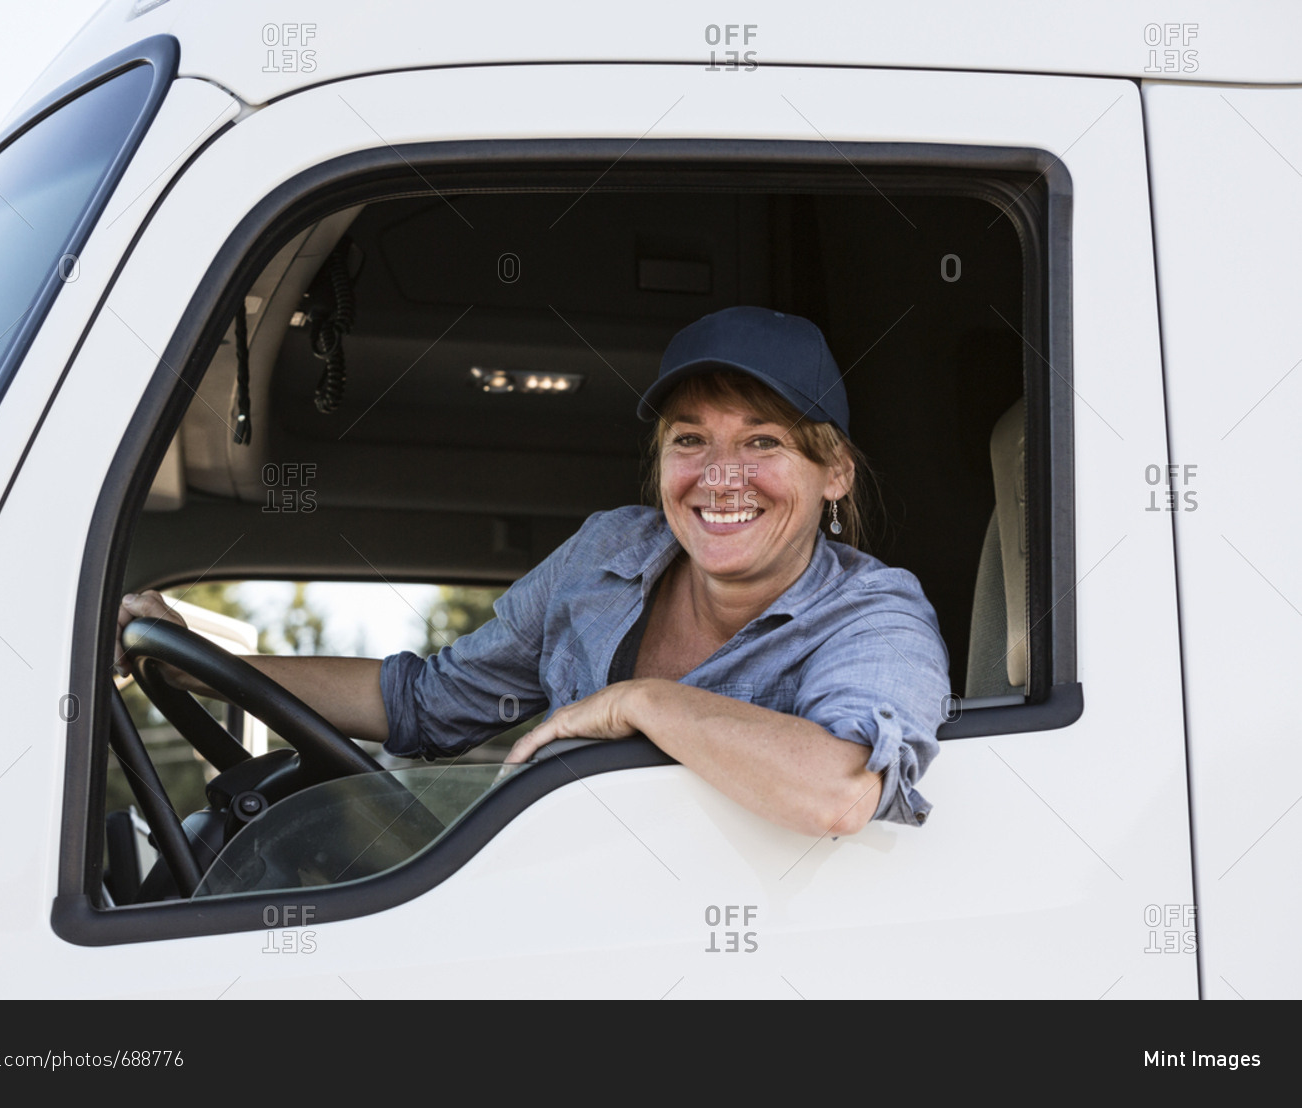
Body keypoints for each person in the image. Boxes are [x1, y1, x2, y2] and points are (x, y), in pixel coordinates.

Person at [119, 306, 950, 835]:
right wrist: (206, 669)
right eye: (690, 439)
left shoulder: (874, 614)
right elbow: (425, 702)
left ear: (834, 472)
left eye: (762, 441)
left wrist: (641, 702)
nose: (719, 475)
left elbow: (842, 791)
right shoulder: (608, 553)